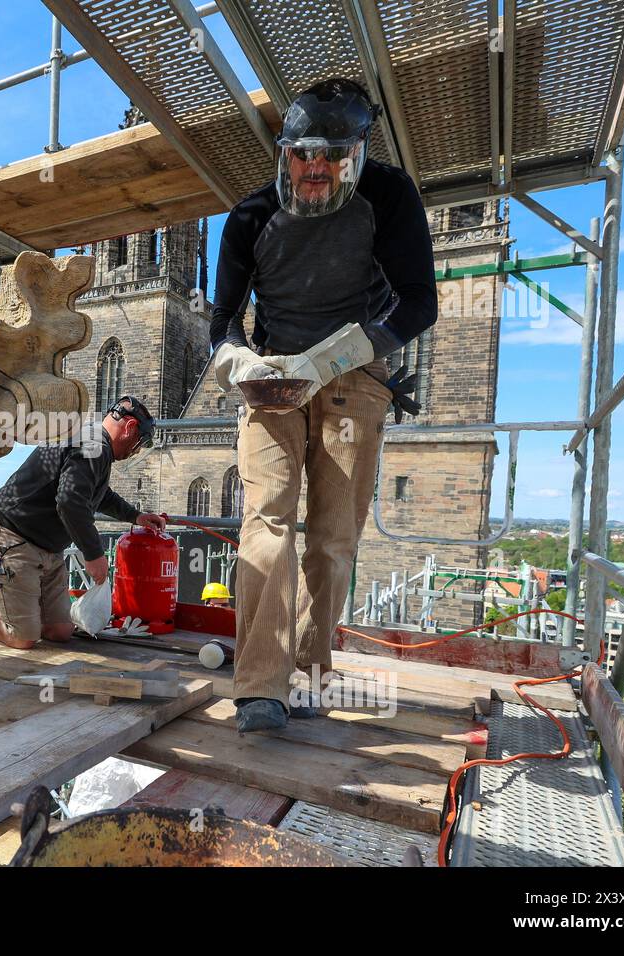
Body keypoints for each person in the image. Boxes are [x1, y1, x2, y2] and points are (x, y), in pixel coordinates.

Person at [209, 77, 437, 733]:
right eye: (301, 156)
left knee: (334, 537)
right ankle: (261, 687)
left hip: (353, 377)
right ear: (284, 151)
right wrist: (239, 362)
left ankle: (308, 673)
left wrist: (338, 357)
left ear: (358, 151)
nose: (314, 170)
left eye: (331, 159)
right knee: (267, 520)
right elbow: (222, 321)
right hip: (273, 376)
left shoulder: (388, 197)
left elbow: (418, 302)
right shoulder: (251, 216)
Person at [0, 396, 168, 649]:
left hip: (47, 548)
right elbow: (70, 501)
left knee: (60, 630)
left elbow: (98, 494)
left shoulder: (94, 444)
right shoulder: (93, 444)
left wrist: (135, 516)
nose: (135, 451)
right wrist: (93, 554)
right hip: (12, 538)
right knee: (22, 638)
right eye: (140, 442)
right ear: (129, 427)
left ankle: (10, 605)